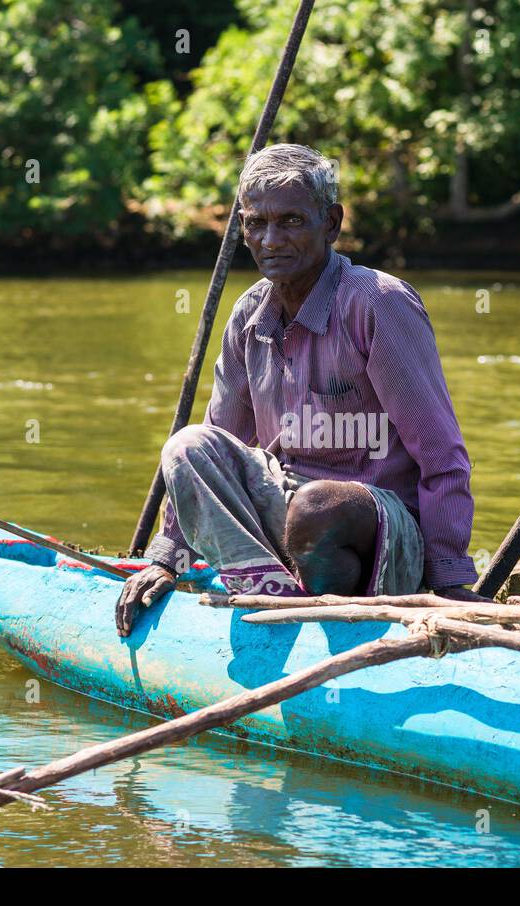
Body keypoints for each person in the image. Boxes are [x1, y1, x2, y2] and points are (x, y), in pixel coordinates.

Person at [117, 143, 488, 637]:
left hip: (380, 531)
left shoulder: (377, 303)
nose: (271, 239)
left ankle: (305, 602)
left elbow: (442, 453)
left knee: (317, 508)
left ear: (330, 224)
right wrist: (167, 557)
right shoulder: (250, 315)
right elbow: (218, 442)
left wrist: (448, 577)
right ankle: (271, 587)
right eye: (256, 223)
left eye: (291, 221)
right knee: (187, 446)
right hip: (287, 516)